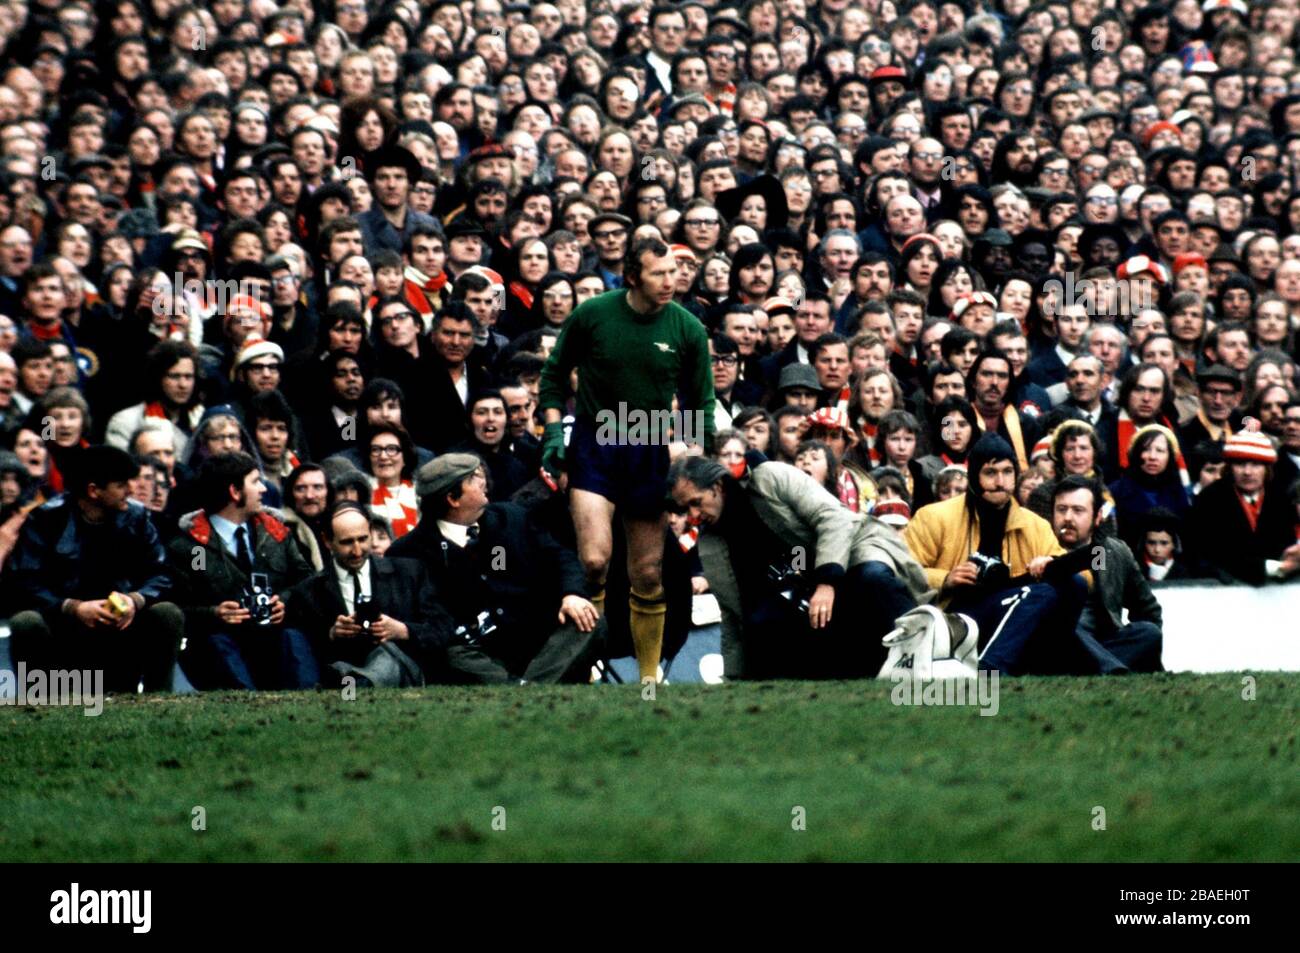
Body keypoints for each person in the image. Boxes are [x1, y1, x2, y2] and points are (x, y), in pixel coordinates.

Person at [538, 236, 713, 684]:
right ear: (633, 276)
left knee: (648, 573)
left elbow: (700, 401)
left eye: (674, 271)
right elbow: (554, 375)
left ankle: (649, 679)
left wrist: (689, 458)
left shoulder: (687, 328)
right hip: (597, 440)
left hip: (650, 443)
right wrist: (555, 434)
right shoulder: (594, 314)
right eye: (659, 273)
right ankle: (586, 665)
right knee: (595, 561)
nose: (670, 281)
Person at [667, 452, 931, 679]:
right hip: (802, 589)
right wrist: (733, 679)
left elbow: (834, 520)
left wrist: (827, 582)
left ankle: (926, 655)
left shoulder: (769, 477)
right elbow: (733, 618)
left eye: (696, 502)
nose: (692, 516)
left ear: (718, 486)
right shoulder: (711, 543)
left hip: (852, 547)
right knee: (761, 625)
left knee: (872, 579)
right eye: (684, 508)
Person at [387, 454, 603, 684]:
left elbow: (561, 557)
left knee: (588, 619)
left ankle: (527, 689)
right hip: (475, 652)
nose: (483, 481)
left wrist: (572, 594)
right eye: (473, 478)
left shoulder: (512, 517)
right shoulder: (408, 553)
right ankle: (527, 688)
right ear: (452, 498)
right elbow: (425, 626)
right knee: (449, 653)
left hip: (536, 642)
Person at [903, 434, 1091, 675]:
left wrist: (1053, 563)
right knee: (1033, 594)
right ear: (974, 476)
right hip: (954, 620)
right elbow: (903, 575)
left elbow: (1086, 575)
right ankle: (991, 669)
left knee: (1071, 583)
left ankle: (1039, 664)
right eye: (991, 473)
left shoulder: (1034, 524)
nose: (1000, 482)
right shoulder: (934, 517)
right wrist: (945, 579)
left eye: (1008, 472)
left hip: (1014, 618)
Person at [5, 446, 183, 693]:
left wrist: (134, 601)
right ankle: (41, 703)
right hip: (64, 630)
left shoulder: (137, 517)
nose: (132, 491)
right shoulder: (46, 519)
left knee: (167, 613)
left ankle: (158, 700)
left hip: (120, 628)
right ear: (93, 491)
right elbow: (23, 581)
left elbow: (163, 572)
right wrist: (73, 607)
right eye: (121, 485)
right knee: (26, 622)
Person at [166, 452, 318, 690]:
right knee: (217, 642)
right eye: (255, 481)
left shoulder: (277, 534)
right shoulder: (190, 547)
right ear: (235, 492)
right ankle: (244, 702)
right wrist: (214, 613)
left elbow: (309, 582)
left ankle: (308, 701)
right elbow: (176, 609)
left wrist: (284, 602)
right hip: (222, 648)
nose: (263, 490)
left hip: (274, 642)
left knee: (293, 637)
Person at [288, 502, 457, 688]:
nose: (357, 551)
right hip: (343, 665)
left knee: (386, 654)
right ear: (328, 541)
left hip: (401, 667)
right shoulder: (308, 591)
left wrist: (403, 631)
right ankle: (355, 682)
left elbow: (443, 628)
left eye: (363, 539)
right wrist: (332, 633)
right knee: (342, 668)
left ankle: (361, 683)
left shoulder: (409, 573)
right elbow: (301, 648)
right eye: (347, 542)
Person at [1049, 475, 1164, 673]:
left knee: (1149, 632)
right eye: (1061, 509)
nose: (1068, 517)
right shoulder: (1040, 547)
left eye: (1078, 510)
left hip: (1106, 641)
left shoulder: (1114, 552)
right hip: (1062, 641)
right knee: (1066, 624)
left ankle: (1096, 668)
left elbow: (1148, 609)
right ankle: (1112, 669)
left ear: (1097, 517)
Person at [1185, 428, 1300, 585]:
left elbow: (1285, 544)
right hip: (1227, 592)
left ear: (1267, 468)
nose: (1247, 472)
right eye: (1240, 464)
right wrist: (1266, 567)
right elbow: (1209, 554)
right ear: (1230, 467)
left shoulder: (1281, 499)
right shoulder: (1209, 500)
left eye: (1255, 465)